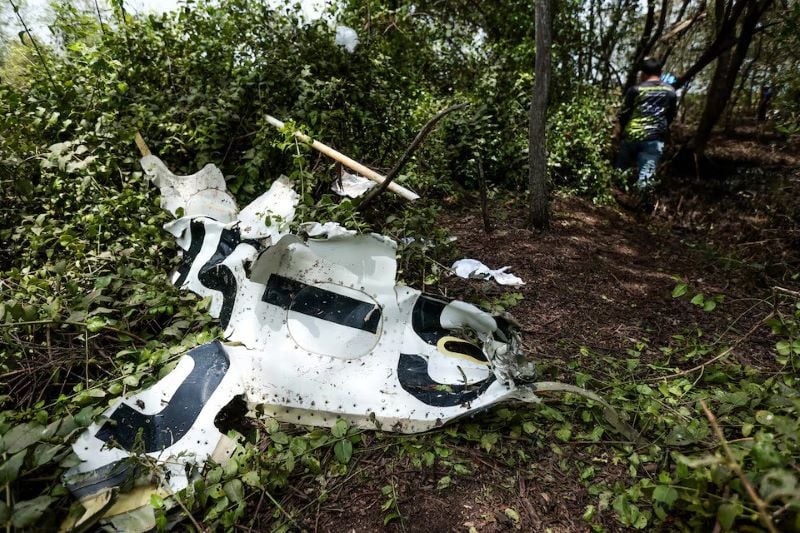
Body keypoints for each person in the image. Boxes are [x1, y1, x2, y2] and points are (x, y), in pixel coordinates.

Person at [615, 58, 677, 206]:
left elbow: (624, 113)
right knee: (646, 175)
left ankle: (616, 200)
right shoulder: (670, 92)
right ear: (660, 73)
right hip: (654, 139)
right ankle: (638, 209)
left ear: (643, 74)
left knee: (620, 170)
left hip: (631, 135)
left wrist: (620, 132)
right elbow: (670, 115)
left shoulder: (636, 90)